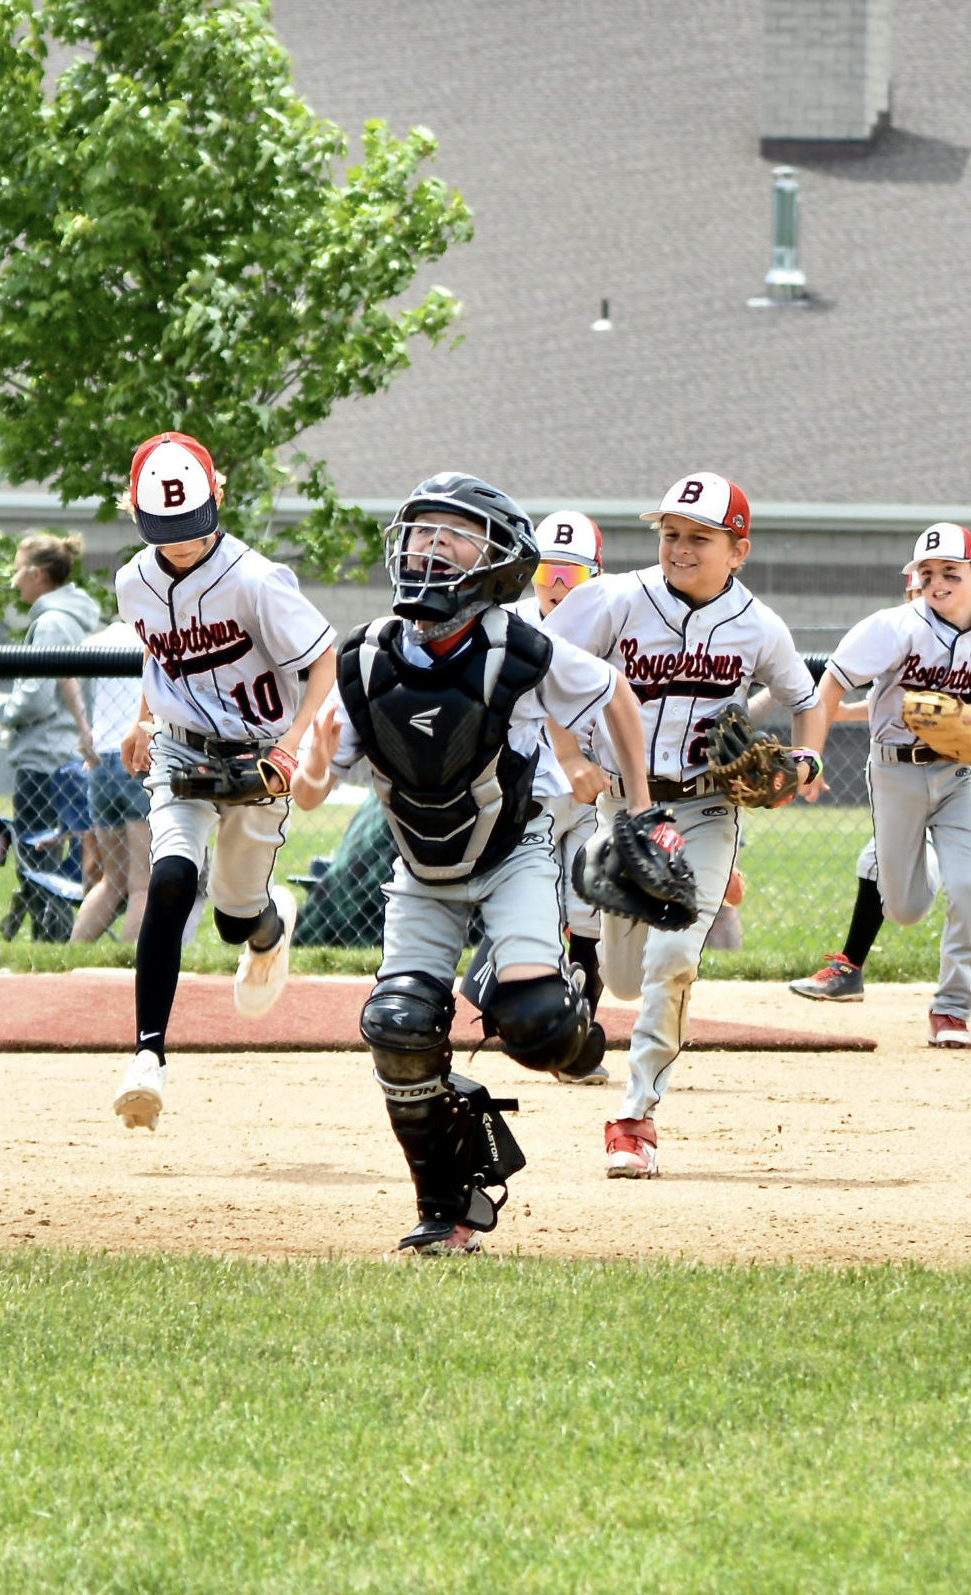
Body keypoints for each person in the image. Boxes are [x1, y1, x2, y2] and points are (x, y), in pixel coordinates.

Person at [290, 473, 656, 1254]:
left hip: (511, 855)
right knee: (397, 1027)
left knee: (541, 1029)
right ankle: (446, 1206)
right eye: (419, 531)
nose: (428, 545)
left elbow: (616, 695)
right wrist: (315, 762)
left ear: (498, 560)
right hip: (420, 874)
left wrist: (644, 807)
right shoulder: (365, 657)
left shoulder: (520, 647)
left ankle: (558, 1015)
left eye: (451, 533)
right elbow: (312, 794)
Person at [545, 471, 830, 1176]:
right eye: (670, 533)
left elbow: (806, 696)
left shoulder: (758, 625)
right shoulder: (612, 599)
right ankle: (681, 900)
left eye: (698, 537)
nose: (678, 547)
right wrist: (569, 752)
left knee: (671, 962)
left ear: (738, 549)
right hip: (623, 805)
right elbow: (538, 666)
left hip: (707, 804)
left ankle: (635, 1117)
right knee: (619, 978)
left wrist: (806, 760)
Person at [109, 432, 340, 1129]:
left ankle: (270, 927)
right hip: (180, 752)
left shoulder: (256, 578)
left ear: (219, 497)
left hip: (259, 753)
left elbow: (324, 660)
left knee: (235, 914)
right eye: (163, 531)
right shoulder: (131, 581)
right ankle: (148, 1057)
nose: (179, 543)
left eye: (191, 526)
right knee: (171, 878)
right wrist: (142, 722)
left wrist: (294, 748)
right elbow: (159, 659)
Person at [814, 524, 971, 1048]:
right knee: (905, 909)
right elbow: (833, 681)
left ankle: (952, 1008)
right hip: (894, 772)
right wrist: (811, 755)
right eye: (927, 573)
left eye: (951, 573)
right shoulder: (893, 627)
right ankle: (929, 860)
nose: (938, 583)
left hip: (956, 776)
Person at [0, 532, 102, 928]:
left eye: (17, 571)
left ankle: (50, 940)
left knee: (38, 865)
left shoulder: (51, 625)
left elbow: (36, 699)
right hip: (69, 756)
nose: (13, 580)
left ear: (36, 574)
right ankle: (52, 937)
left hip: (44, 762)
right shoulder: (79, 619)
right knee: (58, 863)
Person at [532, 510, 611, 1008]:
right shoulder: (510, 622)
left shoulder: (616, 626)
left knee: (589, 911)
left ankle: (580, 1031)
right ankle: (534, 1017)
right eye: (546, 571)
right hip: (527, 790)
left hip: (592, 792)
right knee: (531, 909)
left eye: (572, 574)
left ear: (595, 579)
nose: (557, 586)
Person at [72, 618, 151, 943]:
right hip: (139, 760)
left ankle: (70, 957)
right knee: (142, 883)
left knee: (112, 880)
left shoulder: (102, 638)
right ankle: (130, 964)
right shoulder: (157, 633)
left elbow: (65, 668)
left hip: (101, 763)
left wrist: (83, 728)